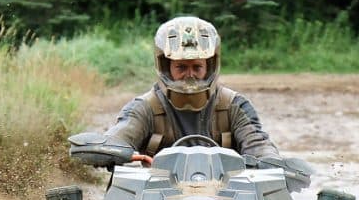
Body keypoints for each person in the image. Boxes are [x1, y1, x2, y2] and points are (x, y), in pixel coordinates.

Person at [103, 16, 282, 160]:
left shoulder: (234, 106)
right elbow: (118, 139)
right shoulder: (143, 108)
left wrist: (271, 162)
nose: (190, 75)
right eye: (181, 67)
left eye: (197, 67)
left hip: (224, 195)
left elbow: (258, 145)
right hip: (156, 198)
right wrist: (105, 150)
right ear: (166, 67)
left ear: (209, 66)